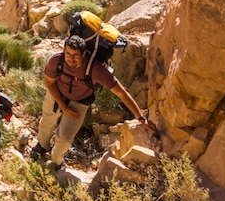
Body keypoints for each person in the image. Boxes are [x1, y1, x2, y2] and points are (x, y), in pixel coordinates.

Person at [29, 35, 152, 171]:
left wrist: (141, 118)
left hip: (79, 103)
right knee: (47, 122)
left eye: (75, 55)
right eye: (68, 54)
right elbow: (50, 83)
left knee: (64, 138)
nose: (71, 59)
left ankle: (56, 162)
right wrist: (63, 107)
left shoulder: (96, 69)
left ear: (84, 54)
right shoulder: (56, 60)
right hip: (56, 94)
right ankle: (42, 146)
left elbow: (121, 92)